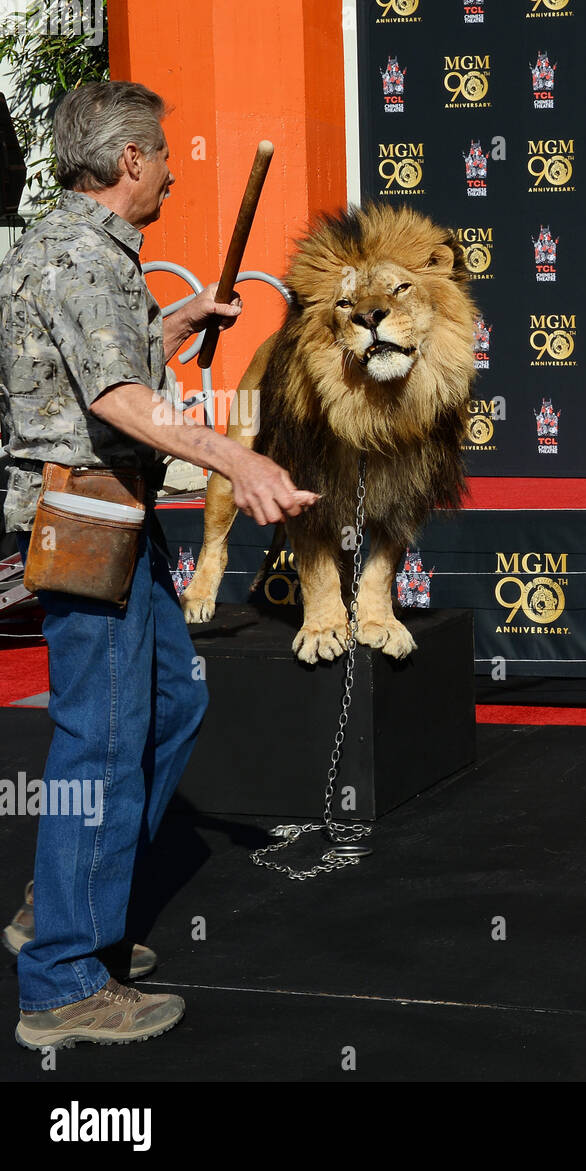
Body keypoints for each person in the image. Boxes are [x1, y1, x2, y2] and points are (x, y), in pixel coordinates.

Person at [0, 80, 317, 1049]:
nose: (175, 171)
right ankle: (63, 975)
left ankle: (61, 905)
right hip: (89, 517)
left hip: (123, 519)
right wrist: (239, 457)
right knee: (100, 742)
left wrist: (169, 327)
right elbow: (120, 404)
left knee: (173, 704)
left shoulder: (84, 255)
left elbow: (88, 365)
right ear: (129, 160)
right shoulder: (78, 258)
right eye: (166, 156)